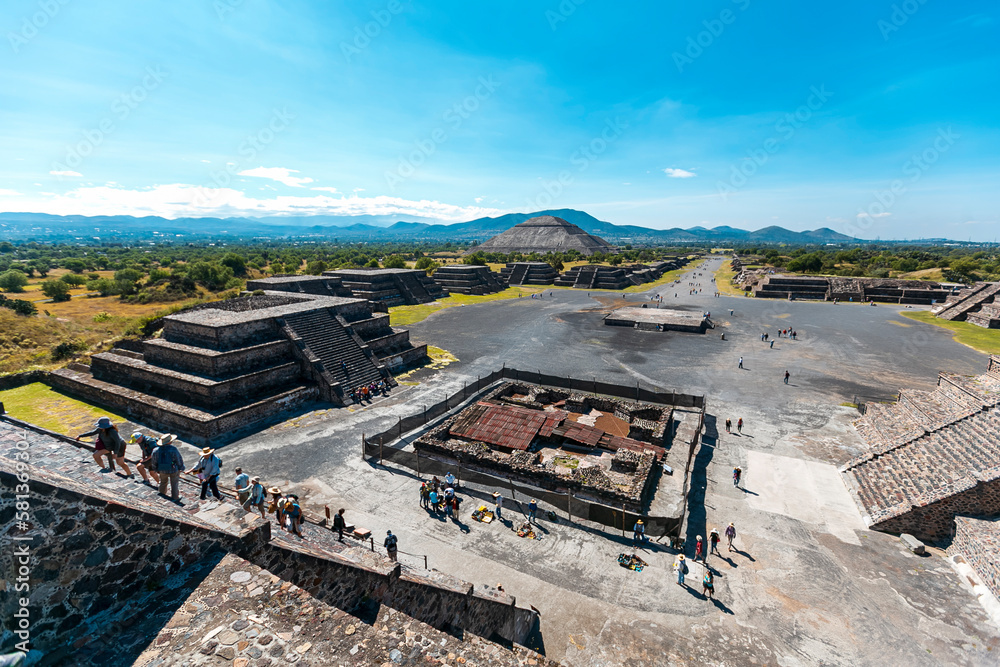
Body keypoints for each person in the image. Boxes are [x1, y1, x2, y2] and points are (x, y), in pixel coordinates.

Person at [151, 434, 184, 502]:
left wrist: (156, 469)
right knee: (174, 483)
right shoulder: (173, 449)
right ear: (169, 442)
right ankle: (175, 497)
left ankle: (162, 496)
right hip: (173, 469)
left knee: (163, 482)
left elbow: (154, 461)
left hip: (162, 469)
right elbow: (178, 459)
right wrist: (181, 468)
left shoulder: (156, 450)